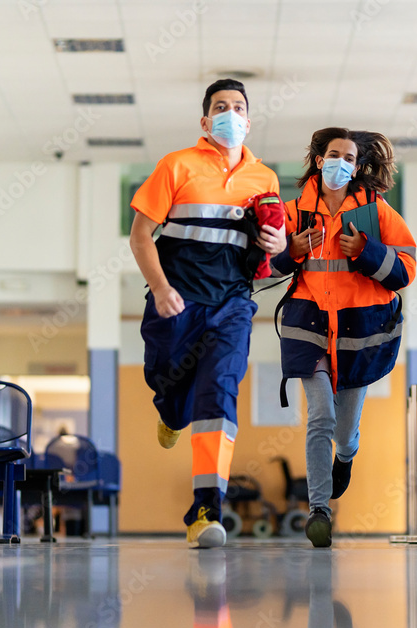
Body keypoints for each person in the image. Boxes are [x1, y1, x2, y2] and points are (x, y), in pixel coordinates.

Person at [129, 79, 286, 548]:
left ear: (249, 120)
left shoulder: (266, 178)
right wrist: (160, 289)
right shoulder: (176, 165)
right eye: (221, 107)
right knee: (166, 377)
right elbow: (140, 235)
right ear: (205, 120)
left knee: (219, 392)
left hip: (233, 302)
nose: (230, 114)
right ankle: (170, 410)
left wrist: (276, 244)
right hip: (176, 298)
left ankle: (205, 510)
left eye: (238, 107)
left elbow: (268, 249)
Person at [270, 128, 416, 548]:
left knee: (345, 430)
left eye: (349, 158)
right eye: (334, 155)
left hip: (358, 332)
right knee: (321, 416)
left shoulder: (375, 210)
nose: (341, 164)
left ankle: (346, 456)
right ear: (319, 160)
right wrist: (291, 250)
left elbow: (406, 269)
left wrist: (366, 251)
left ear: (357, 166)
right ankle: (319, 510)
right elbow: (266, 266)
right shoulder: (293, 210)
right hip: (309, 325)